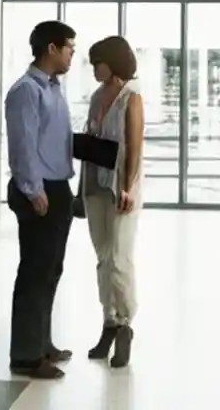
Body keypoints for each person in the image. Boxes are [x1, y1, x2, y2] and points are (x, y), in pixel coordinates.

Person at [5, 20, 78, 380]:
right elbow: (23, 146)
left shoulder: (53, 89)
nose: (72, 56)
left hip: (58, 188)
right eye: (69, 49)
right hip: (39, 191)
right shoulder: (26, 91)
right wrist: (34, 191)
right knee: (34, 272)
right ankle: (25, 356)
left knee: (51, 271)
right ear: (51, 48)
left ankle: (42, 344)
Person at [81, 36, 145, 368]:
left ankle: (124, 325)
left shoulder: (131, 99)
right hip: (95, 183)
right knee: (103, 258)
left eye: (98, 62)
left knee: (119, 258)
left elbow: (133, 147)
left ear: (113, 62)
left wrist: (127, 187)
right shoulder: (95, 97)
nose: (94, 68)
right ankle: (109, 321)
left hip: (121, 186)